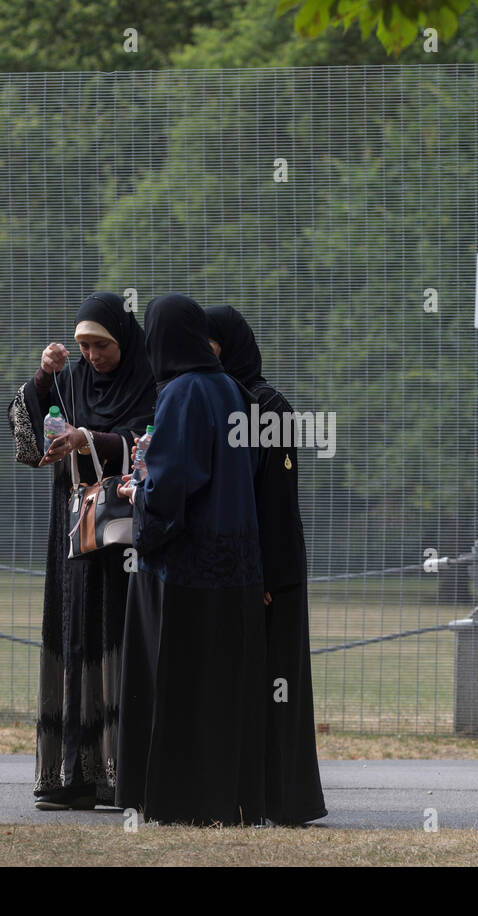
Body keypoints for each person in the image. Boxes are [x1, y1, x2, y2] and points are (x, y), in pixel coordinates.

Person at [115, 293, 267, 825]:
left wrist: (138, 492)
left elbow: (173, 483)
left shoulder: (180, 392)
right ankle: (223, 798)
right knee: (219, 688)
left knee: (175, 685)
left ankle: (176, 798)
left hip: (184, 569)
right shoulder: (227, 386)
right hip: (234, 567)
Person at [6, 292, 156, 810]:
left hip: (121, 543)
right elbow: (28, 448)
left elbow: (148, 442)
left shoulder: (148, 379)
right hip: (74, 535)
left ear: (125, 340)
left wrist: (90, 439)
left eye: (102, 345)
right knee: (74, 636)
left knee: (116, 635)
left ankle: (120, 773)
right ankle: (73, 775)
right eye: (83, 346)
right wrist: (43, 381)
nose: (93, 356)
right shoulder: (69, 382)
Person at [205, 305, 326, 826]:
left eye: (209, 348)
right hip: (239, 567)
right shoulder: (215, 402)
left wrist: (266, 578)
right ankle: (246, 793)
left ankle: (284, 797)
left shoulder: (267, 406)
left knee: (277, 680)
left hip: (271, 570)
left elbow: (276, 505)